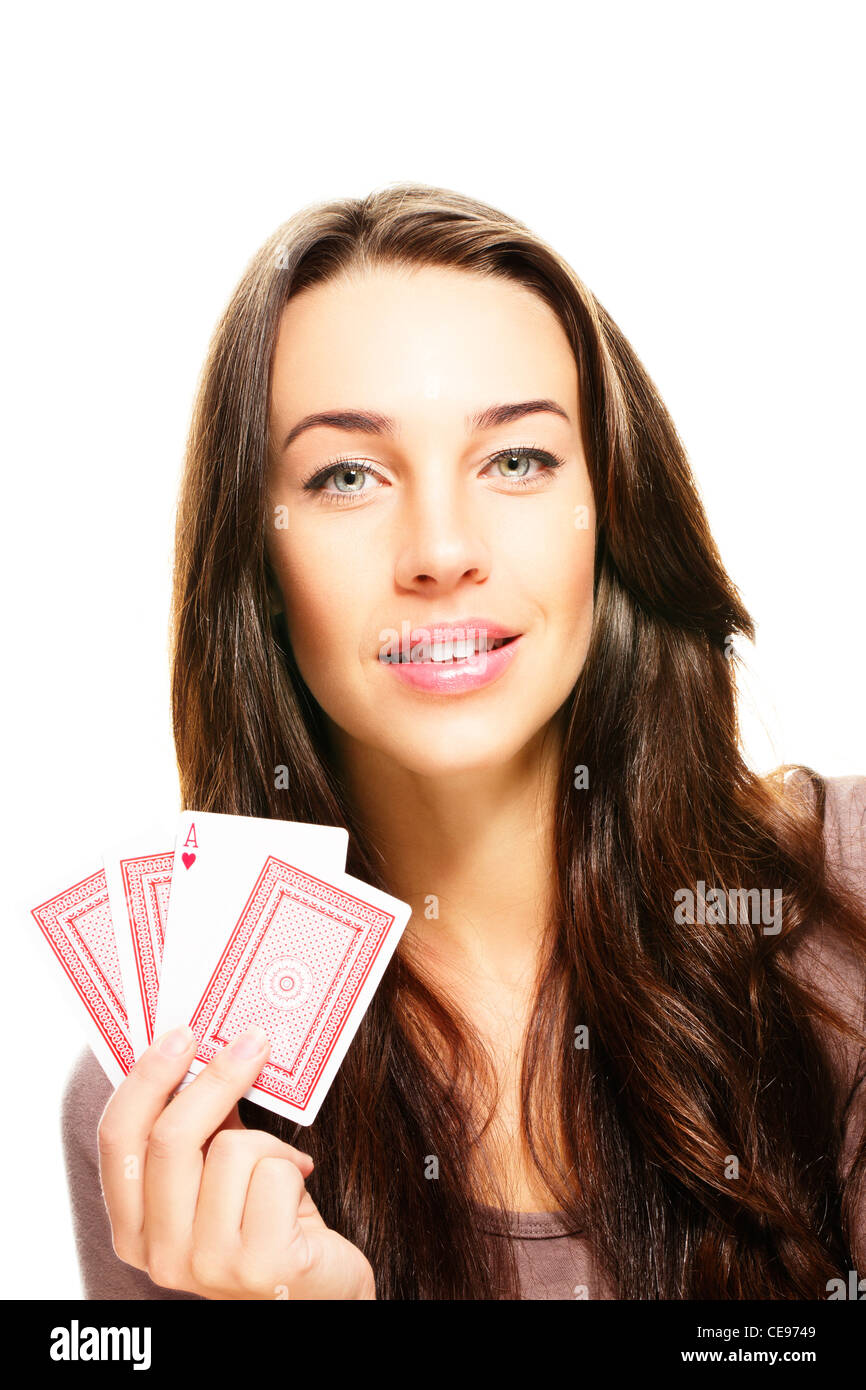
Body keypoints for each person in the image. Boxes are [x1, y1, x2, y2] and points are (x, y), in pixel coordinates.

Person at [62, 183, 866, 1300]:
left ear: (613, 514)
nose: (440, 550)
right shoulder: (165, 1107)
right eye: (346, 476)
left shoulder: (848, 897)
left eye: (517, 461)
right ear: (260, 560)